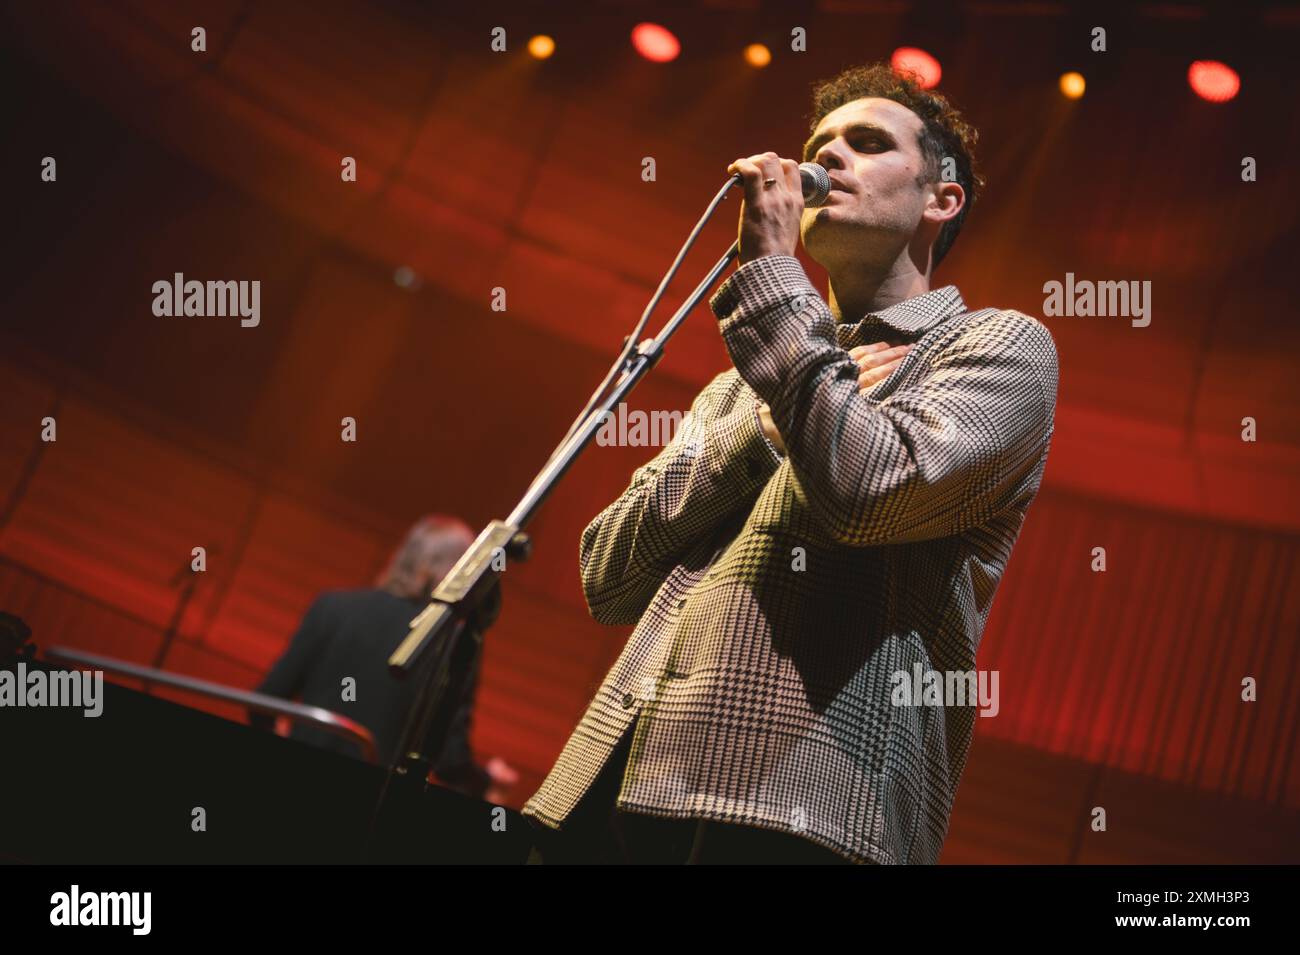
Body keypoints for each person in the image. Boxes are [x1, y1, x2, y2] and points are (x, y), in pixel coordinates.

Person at [522, 62, 1058, 864]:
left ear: (941, 201)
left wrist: (773, 283)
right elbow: (607, 573)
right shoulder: (750, 379)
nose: (829, 157)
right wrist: (759, 434)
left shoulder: (997, 346)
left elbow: (869, 492)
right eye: (821, 143)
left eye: (868, 143)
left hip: (800, 804)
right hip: (614, 778)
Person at [250, 514, 518, 802]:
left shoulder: (333, 607)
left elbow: (265, 700)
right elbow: (449, 759)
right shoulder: (454, 645)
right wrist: (487, 780)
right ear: (454, 573)